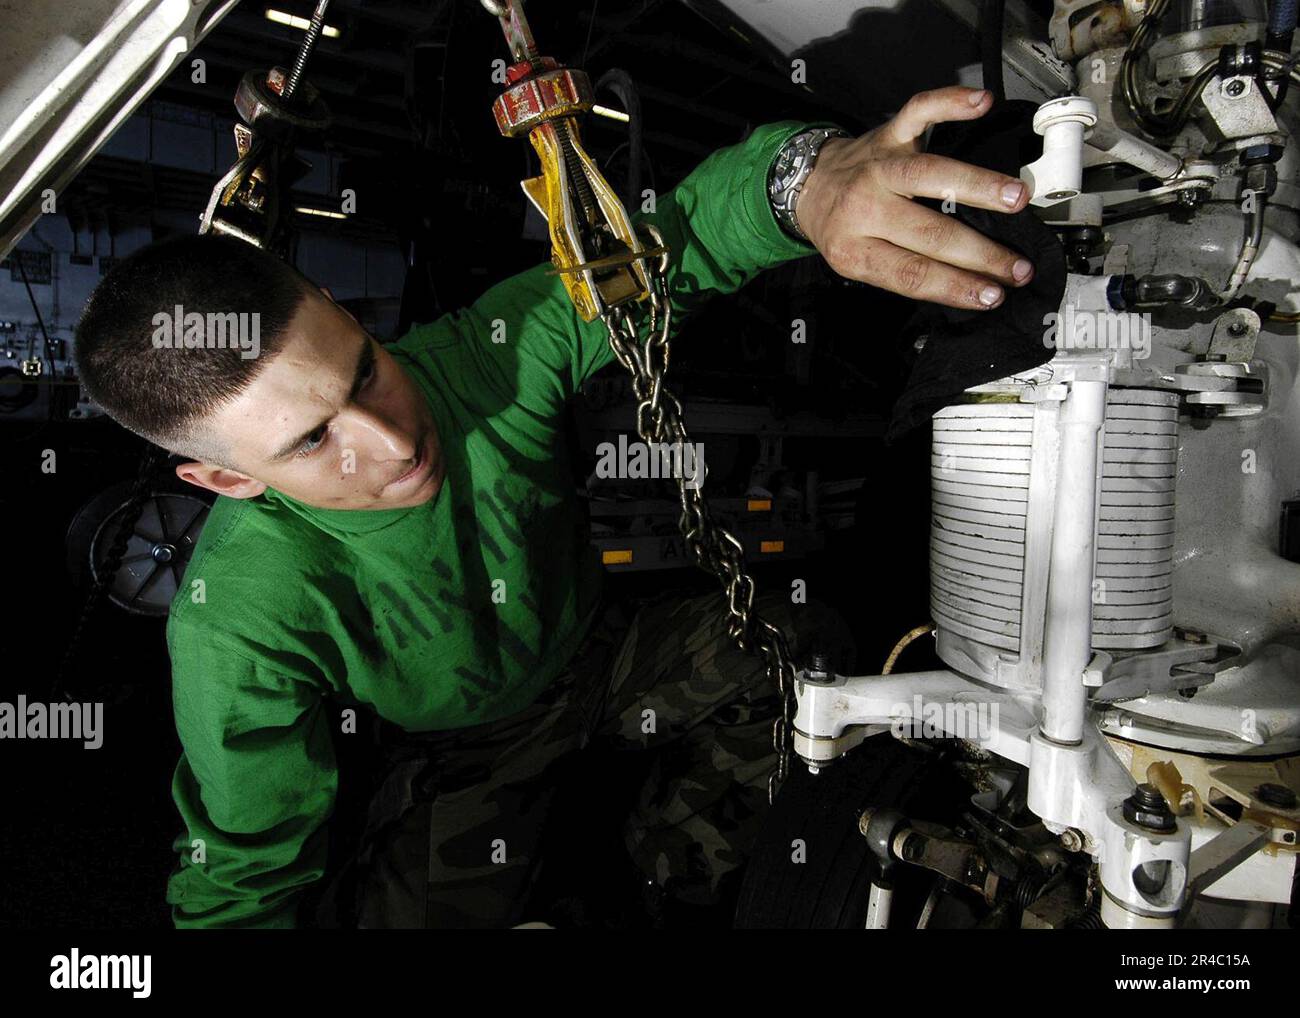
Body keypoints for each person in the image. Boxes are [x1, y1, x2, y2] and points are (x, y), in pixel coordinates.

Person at [72, 86, 1035, 928]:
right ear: (228, 481)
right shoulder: (238, 614)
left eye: (366, 369)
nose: (398, 438)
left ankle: (667, 865)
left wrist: (806, 185)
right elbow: (246, 854)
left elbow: (669, 245)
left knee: (800, 642)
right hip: (469, 748)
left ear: (343, 310)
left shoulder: (482, 355)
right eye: (312, 441)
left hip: (603, 661)